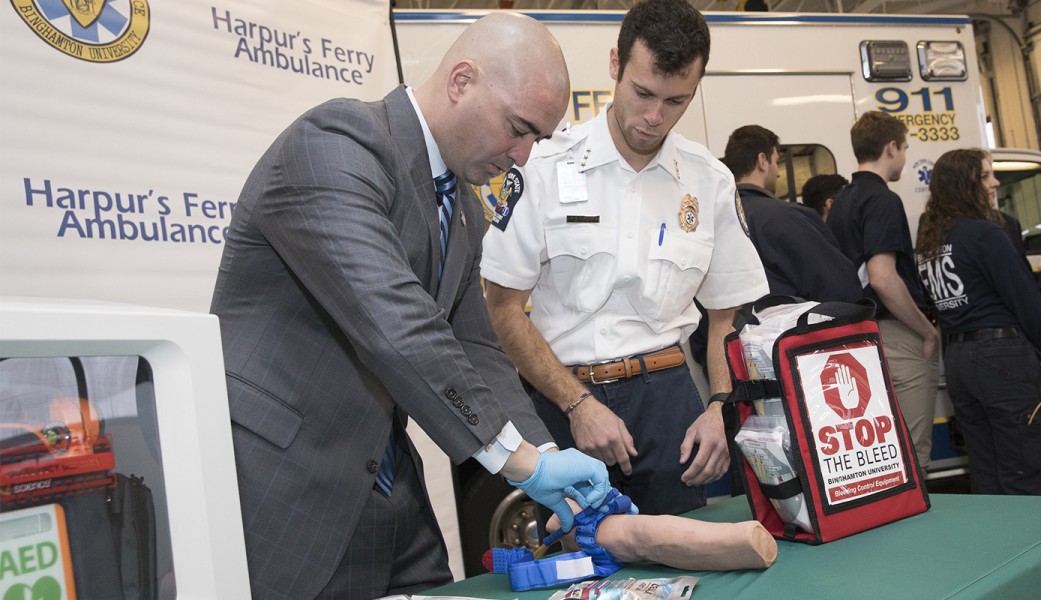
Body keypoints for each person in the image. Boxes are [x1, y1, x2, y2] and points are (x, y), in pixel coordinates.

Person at [209, 14, 611, 600]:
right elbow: (396, 323)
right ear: (461, 81)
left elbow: (474, 344)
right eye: (518, 128)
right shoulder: (334, 142)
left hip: (388, 483)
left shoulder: (466, 207)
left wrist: (546, 454)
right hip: (284, 485)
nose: (522, 157)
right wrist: (518, 459)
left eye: (537, 140)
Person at [481, 0, 769, 521]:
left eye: (676, 100)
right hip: (561, 399)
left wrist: (720, 408)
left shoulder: (709, 181)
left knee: (681, 563)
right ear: (615, 65)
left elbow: (728, 316)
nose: (654, 117)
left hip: (670, 404)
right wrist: (576, 403)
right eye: (642, 93)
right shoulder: (543, 169)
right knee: (579, 568)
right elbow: (501, 308)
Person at [916, 148, 1041, 495]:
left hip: (958, 361)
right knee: (1025, 468)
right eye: (986, 175)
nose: (995, 182)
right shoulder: (984, 234)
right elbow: (1027, 302)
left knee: (985, 468)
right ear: (966, 183)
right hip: (1003, 356)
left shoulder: (931, 240)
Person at [826, 111, 940, 470]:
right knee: (913, 455)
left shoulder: (840, 202)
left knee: (882, 457)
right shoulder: (883, 200)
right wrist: (927, 330)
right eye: (904, 148)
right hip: (894, 333)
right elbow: (883, 277)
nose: (904, 157)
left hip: (855, 338)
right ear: (891, 147)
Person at [723, 125, 862, 303]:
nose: (778, 173)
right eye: (776, 161)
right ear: (762, 161)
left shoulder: (711, 220)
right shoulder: (788, 217)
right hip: (785, 328)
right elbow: (839, 287)